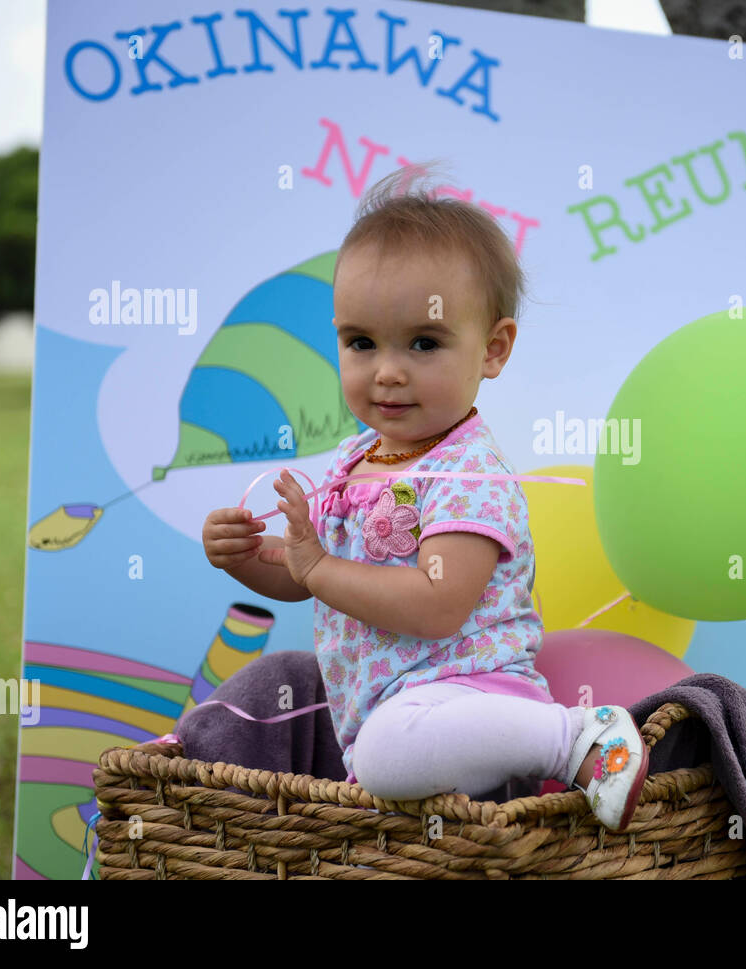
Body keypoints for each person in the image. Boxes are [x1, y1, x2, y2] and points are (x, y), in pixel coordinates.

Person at [201, 162, 648, 830]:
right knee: (361, 743)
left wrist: (318, 566)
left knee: (385, 757)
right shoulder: (358, 457)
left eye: (424, 342)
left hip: (468, 698)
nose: (387, 370)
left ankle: (576, 737)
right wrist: (250, 554)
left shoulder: (468, 473)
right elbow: (310, 576)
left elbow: (440, 606)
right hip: (395, 706)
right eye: (361, 342)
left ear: (492, 349)